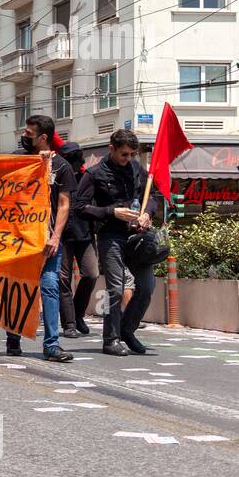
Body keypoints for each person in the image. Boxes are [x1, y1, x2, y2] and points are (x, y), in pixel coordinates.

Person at [73, 128, 161, 356]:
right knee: (116, 289)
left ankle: (127, 330)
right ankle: (110, 339)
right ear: (111, 149)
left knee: (147, 286)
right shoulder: (93, 174)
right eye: (124, 154)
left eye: (132, 154)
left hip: (138, 236)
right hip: (110, 236)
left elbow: (151, 196)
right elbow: (80, 208)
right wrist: (112, 212)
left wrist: (147, 214)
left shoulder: (136, 169)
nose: (128, 159)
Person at [3, 116, 73, 362]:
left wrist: (55, 237)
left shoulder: (62, 166)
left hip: (47, 242)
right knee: (17, 288)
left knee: (50, 287)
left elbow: (64, 204)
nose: (24, 135)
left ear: (43, 138)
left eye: (29, 133)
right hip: (18, 239)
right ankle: (13, 337)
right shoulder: (18, 160)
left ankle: (52, 344)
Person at [56, 142, 97, 338]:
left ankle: (78, 314)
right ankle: (69, 323)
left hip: (84, 233)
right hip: (62, 234)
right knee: (63, 280)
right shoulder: (55, 177)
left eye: (77, 158)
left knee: (91, 274)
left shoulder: (86, 178)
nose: (75, 163)